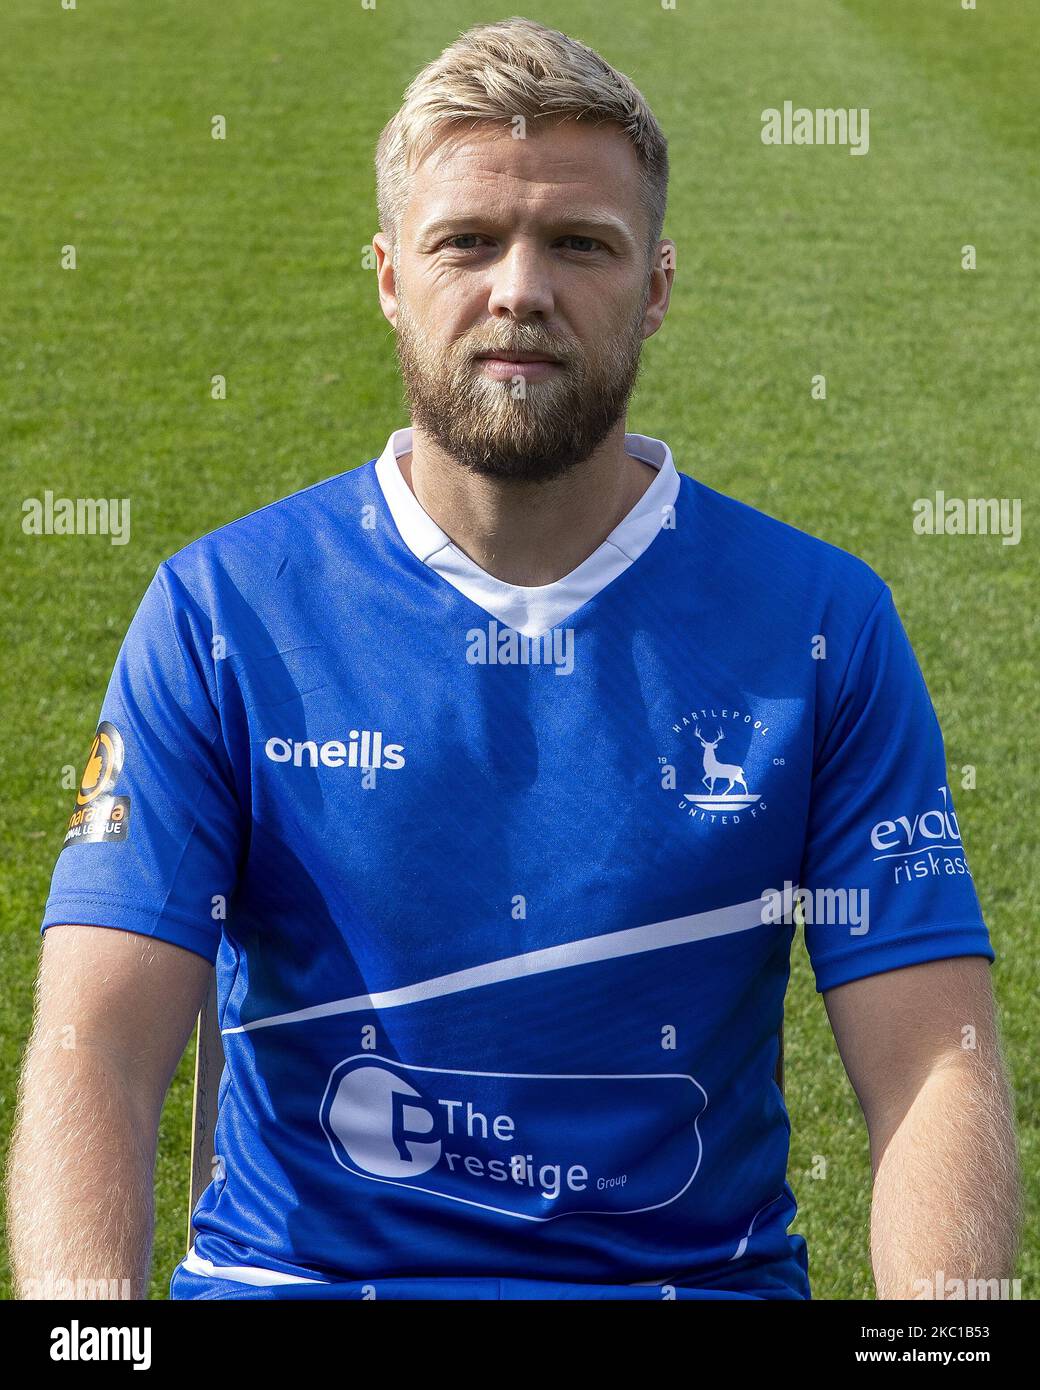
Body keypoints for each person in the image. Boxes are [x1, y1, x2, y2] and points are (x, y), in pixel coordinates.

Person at [8, 17, 1019, 1301]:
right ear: (388, 276)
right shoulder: (222, 611)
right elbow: (97, 1045)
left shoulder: (818, 621)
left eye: (578, 244)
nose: (519, 289)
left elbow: (933, 1057)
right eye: (467, 242)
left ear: (654, 284)